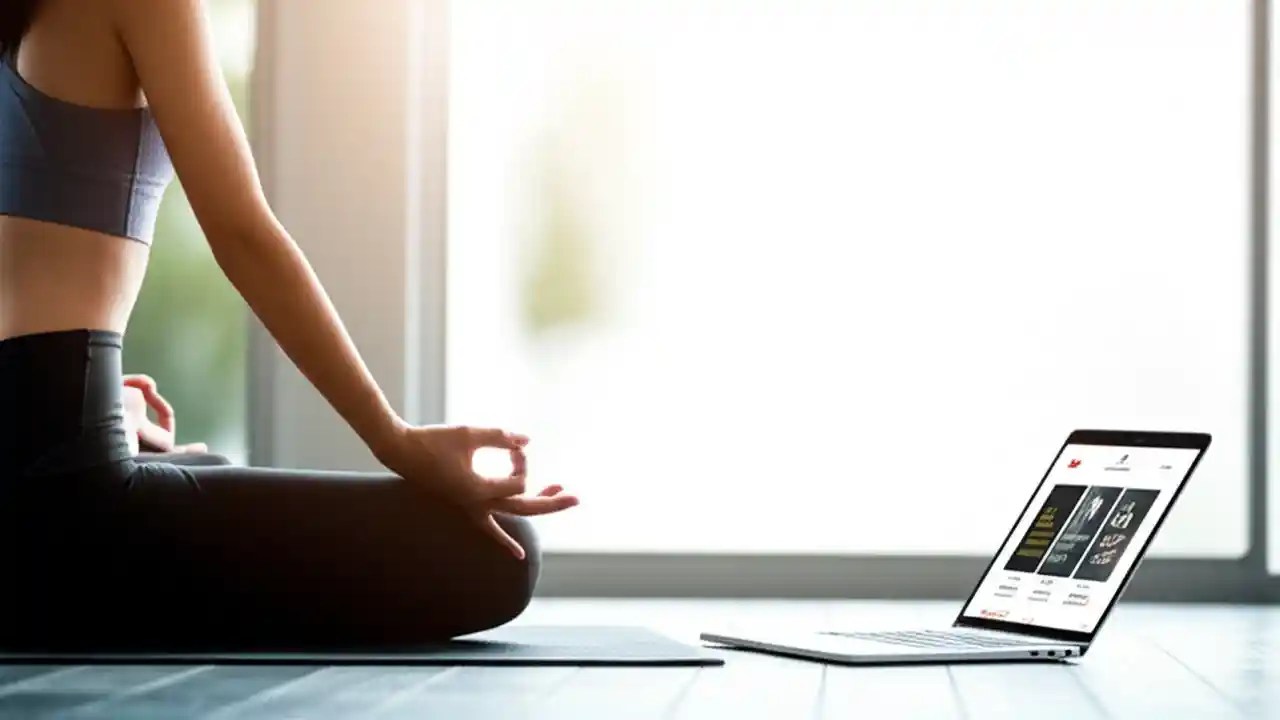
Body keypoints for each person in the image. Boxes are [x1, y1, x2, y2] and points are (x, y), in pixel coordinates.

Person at [0, 0, 578, 650]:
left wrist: (83, 398)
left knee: (204, 466)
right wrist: (395, 438)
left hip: (33, 460)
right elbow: (242, 233)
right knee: (500, 552)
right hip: (58, 507)